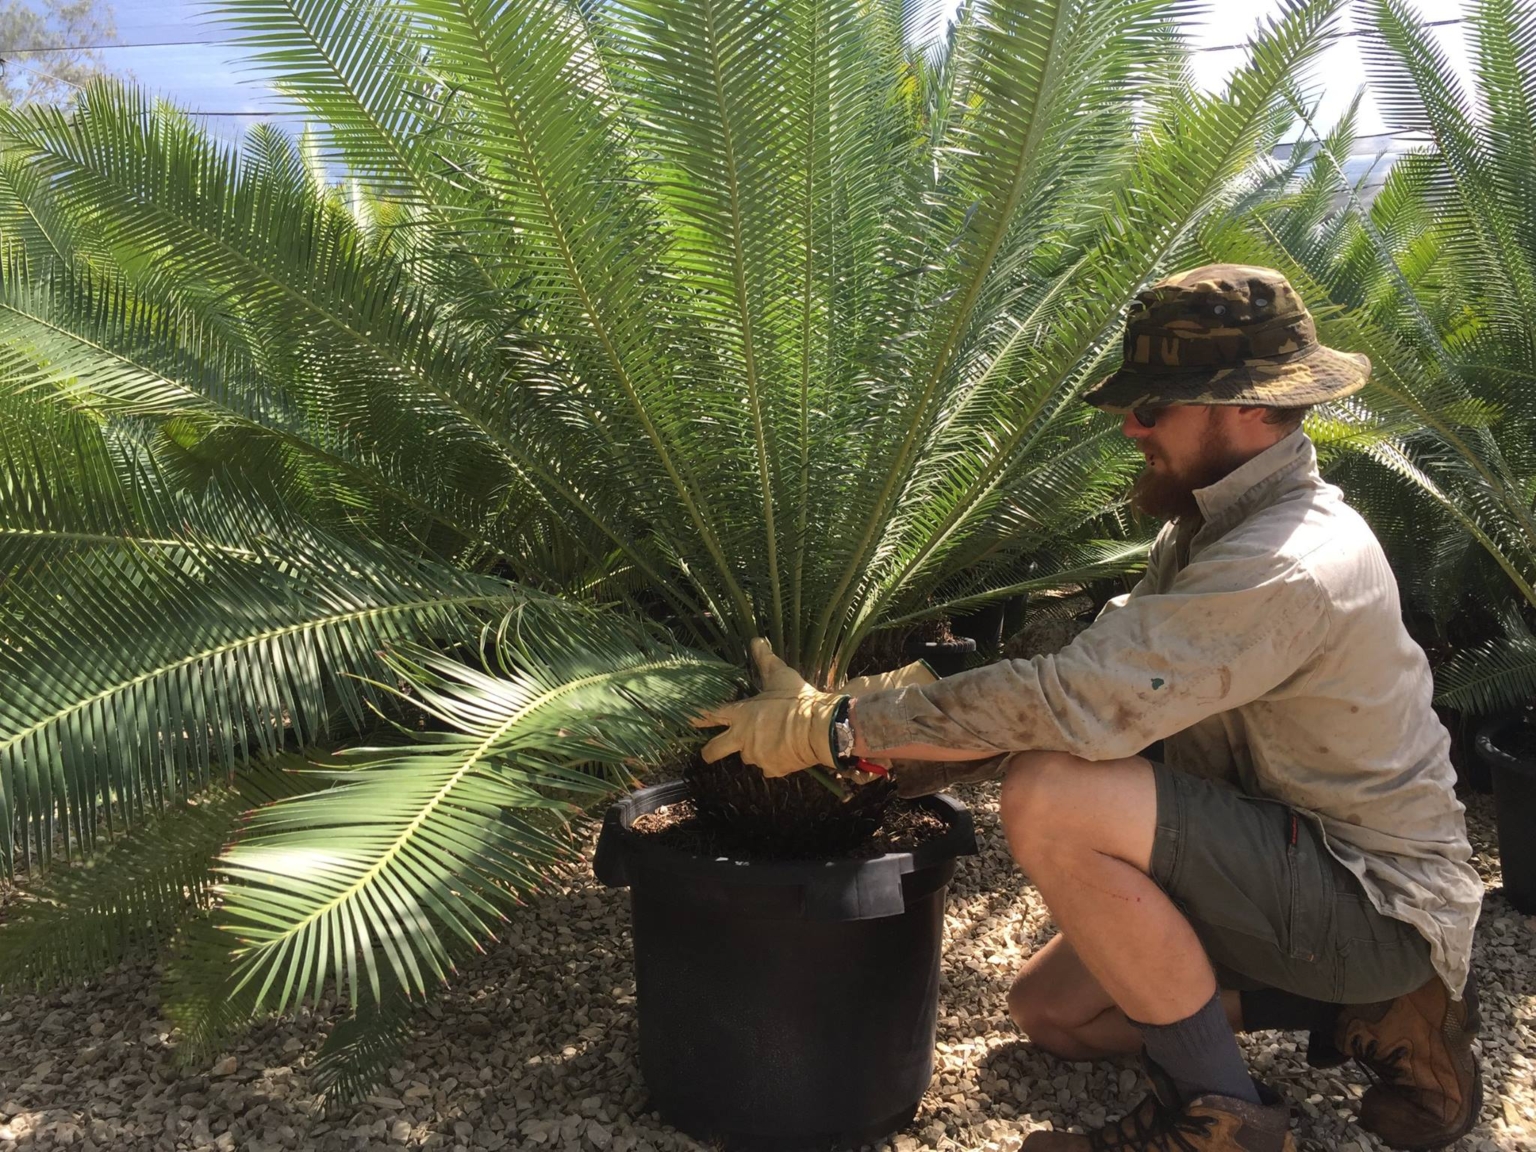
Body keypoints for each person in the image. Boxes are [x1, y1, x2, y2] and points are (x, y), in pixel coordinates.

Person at [693, 265, 1485, 1152]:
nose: (1131, 422)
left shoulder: (1287, 561)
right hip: (1273, 858)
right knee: (1054, 1016)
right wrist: (869, 710)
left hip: (1364, 892)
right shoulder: (1202, 528)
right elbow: (1089, 676)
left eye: (1158, 403)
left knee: (1051, 794)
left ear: (1255, 408)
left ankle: (1223, 1123)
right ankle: (1360, 1009)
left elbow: (1071, 705)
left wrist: (832, 730)